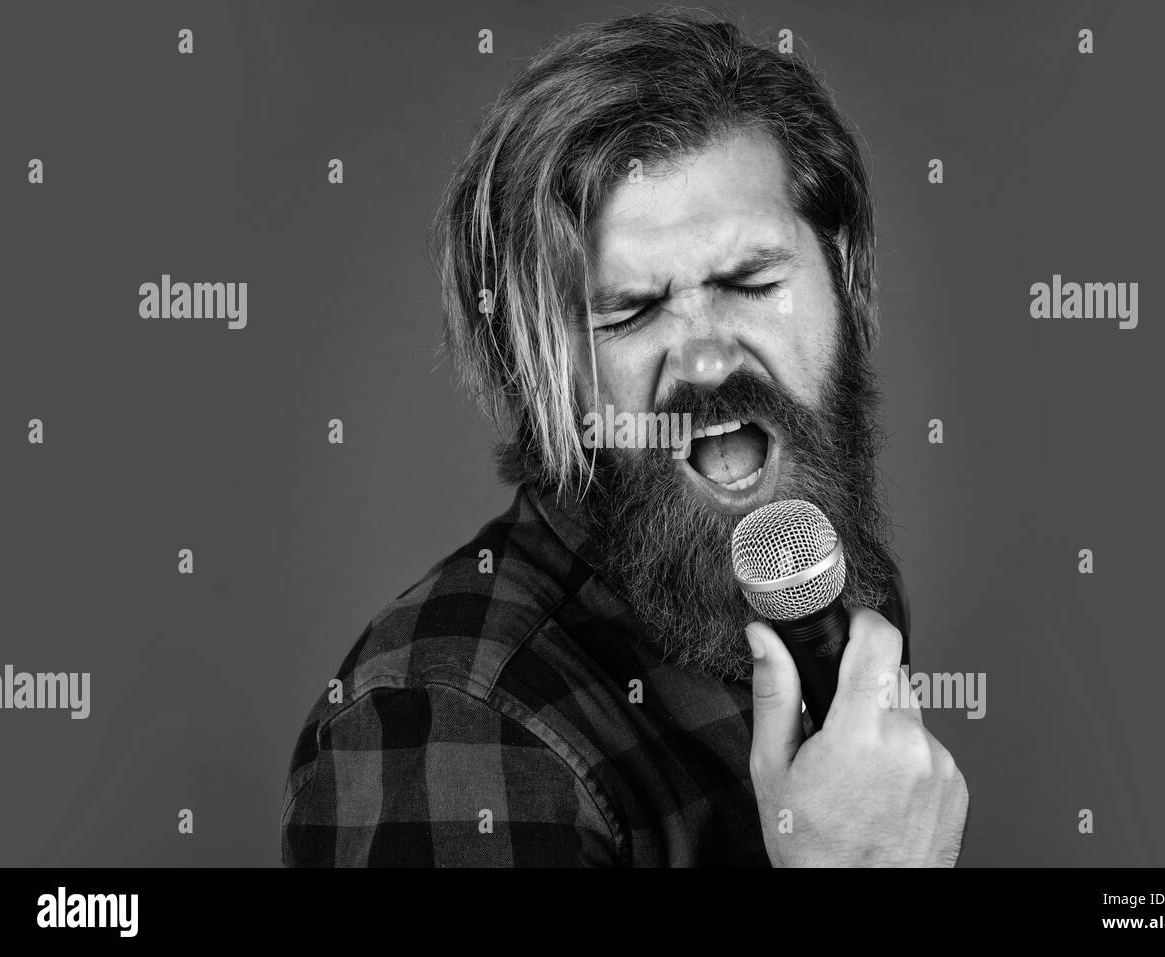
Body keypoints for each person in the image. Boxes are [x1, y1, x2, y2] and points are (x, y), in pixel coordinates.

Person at [281, 9, 968, 867]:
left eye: (753, 280)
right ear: (540, 378)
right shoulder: (442, 728)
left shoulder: (825, 586)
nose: (710, 359)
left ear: (847, 287)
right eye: (631, 311)